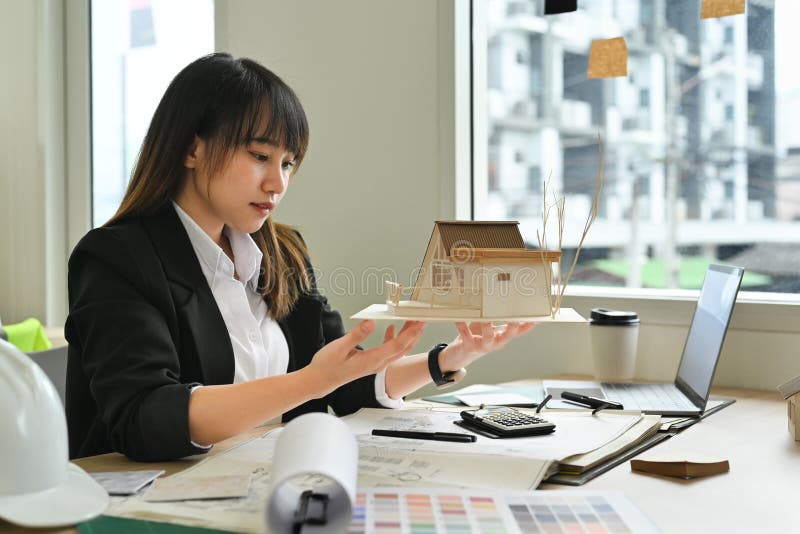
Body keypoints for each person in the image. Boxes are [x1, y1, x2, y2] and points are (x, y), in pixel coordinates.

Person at [65, 53, 534, 462]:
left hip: (267, 481)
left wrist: (450, 357)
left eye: (287, 163)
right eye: (259, 156)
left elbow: (344, 381)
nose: (278, 183)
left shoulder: (281, 251)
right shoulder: (116, 258)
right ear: (192, 147)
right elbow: (147, 417)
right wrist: (310, 382)